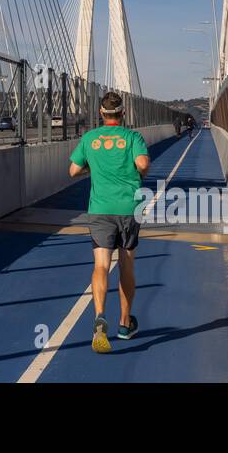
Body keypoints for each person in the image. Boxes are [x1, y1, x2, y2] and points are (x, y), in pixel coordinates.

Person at [68, 91, 151, 354]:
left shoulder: (90, 139)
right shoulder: (132, 137)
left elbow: (72, 170)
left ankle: (100, 315)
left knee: (101, 264)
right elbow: (143, 164)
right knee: (126, 263)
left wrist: (95, 166)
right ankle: (125, 323)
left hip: (100, 209)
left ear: (101, 115)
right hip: (128, 209)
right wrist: (135, 169)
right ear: (123, 114)